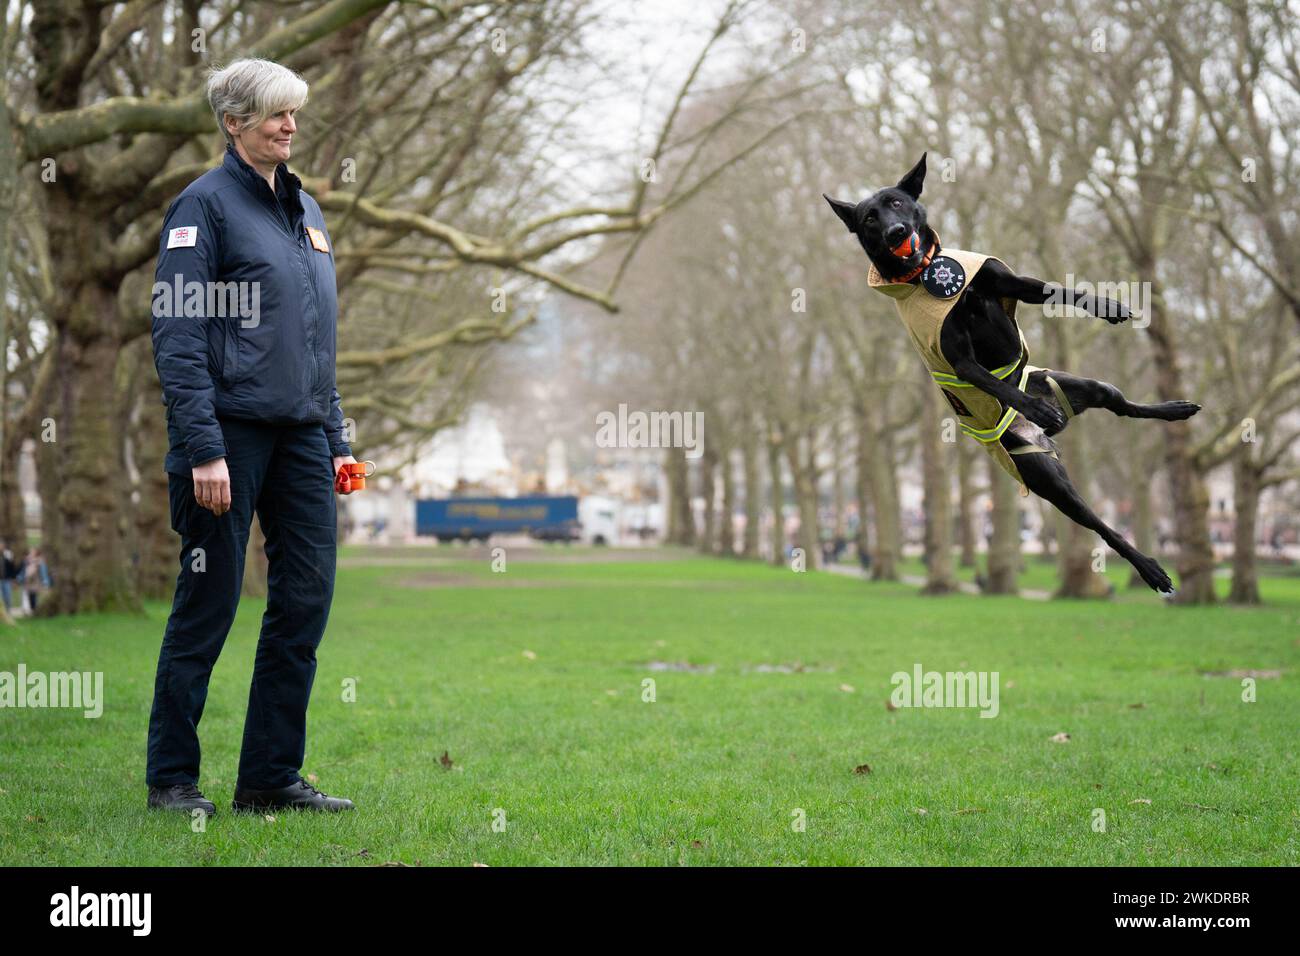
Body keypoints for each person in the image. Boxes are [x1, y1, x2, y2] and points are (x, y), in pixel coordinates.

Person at [146, 58, 358, 818]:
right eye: (275, 114)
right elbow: (178, 334)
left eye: (295, 113)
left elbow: (315, 339)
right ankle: (172, 781)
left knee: (304, 603)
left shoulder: (306, 213)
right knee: (208, 605)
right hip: (226, 436)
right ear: (234, 122)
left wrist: (337, 438)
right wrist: (203, 447)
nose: (290, 126)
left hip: (302, 436)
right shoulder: (199, 210)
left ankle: (271, 778)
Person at [18, 547, 51, 613]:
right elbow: (23, 571)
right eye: (30, 552)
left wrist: (45, 581)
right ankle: (29, 610)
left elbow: (44, 572)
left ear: (36, 553)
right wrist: (19, 578)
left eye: (32, 552)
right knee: (27, 596)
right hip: (27, 582)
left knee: (34, 596)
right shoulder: (26, 561)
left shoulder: (40, 562)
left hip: (35, 582)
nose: (31, 553)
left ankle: (34, 610)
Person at [0, 540, 17, 613]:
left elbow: (12, 567)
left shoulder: (8, 554)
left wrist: (13, 579)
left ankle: (8, 612)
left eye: (1, 545)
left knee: (7, 597)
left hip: (6, 579)